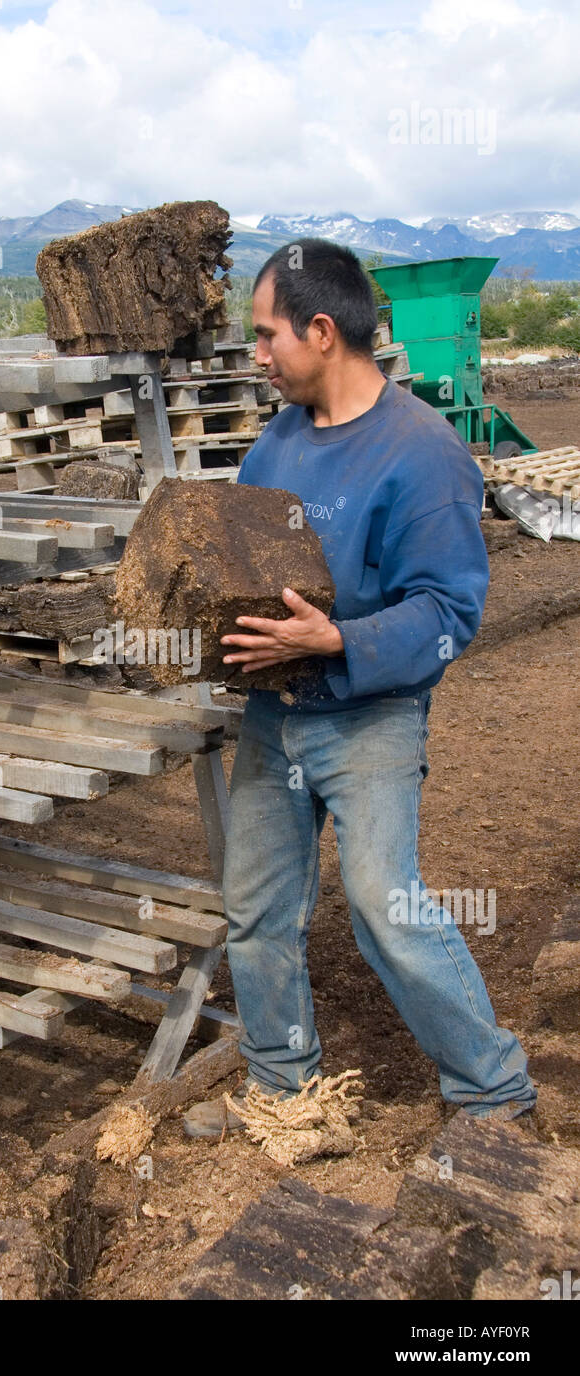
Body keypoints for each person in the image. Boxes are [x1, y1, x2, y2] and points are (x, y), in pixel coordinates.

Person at [184, 238, 536, 1138]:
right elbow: (248, 565)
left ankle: (493, 1095)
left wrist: (337, 637)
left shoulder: (423, 454)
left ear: (323, 330)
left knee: (387, 906)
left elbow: (451, 612)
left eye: (267, 337)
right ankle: (282, 1088)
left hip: (370, 716)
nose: (257, 356)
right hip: (277, 713)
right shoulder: (277, 444)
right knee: (257, 909)